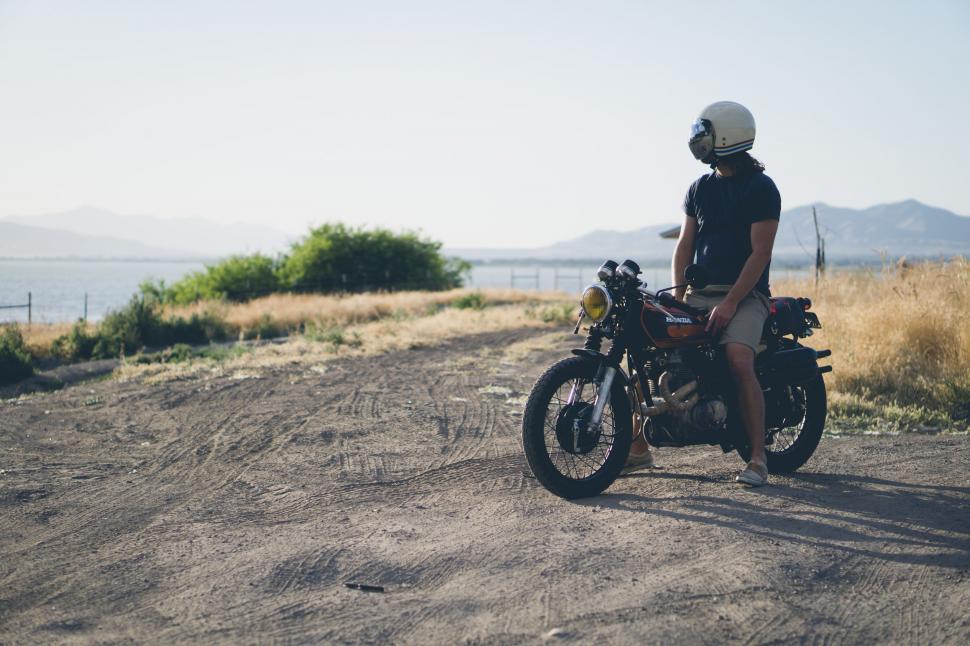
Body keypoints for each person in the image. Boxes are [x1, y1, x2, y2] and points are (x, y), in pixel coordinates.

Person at [624, 101, 780, 487]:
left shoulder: (761, 188)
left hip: (746, 297)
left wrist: (730, 303)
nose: (697, 139)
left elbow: (760, 254)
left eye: (704, 132)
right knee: (647, 352)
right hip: (700, 293)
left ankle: (758, 458)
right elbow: (684, 246)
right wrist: (677, 296)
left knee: (738, 358)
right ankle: (638, 447)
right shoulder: (699, 188)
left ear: (726, 135)